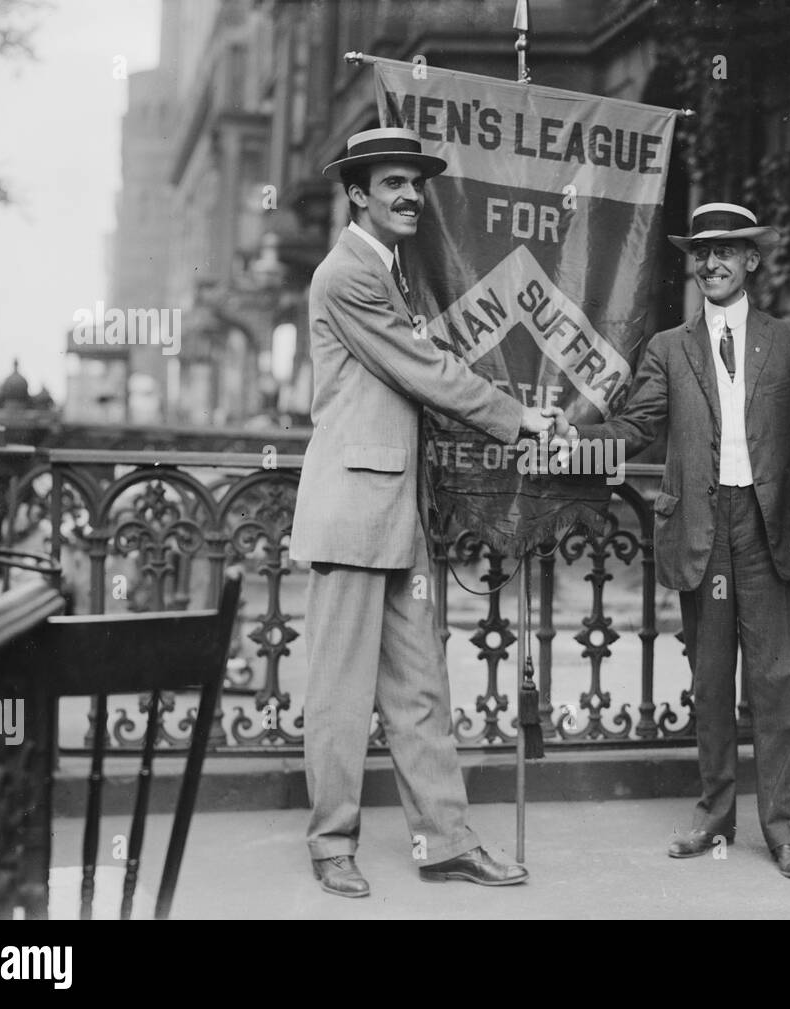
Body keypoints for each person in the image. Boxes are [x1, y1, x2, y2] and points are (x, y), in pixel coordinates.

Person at [290, 127, 554, 897]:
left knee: (419, 689)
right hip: (350, 509)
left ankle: (445, 840)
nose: (409, 195)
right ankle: (331, 842)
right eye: (392, 183)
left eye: (415, 183)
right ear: (357, 193)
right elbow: (425, 370)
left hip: (393, 513)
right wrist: (519, 417)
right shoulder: (348, 274)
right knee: (339, 694)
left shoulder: (388, 270)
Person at [551, 203, 790, 879]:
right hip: (703, 529)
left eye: (727, 252)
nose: (712, 263)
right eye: (702, 253)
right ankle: (714, 816)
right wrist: (576, 443)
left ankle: (784, 830)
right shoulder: (669, 348)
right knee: (711, 683)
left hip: (770, 530)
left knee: (774, 682)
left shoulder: (787, 340)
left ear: (751, 262)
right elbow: (637, 425)